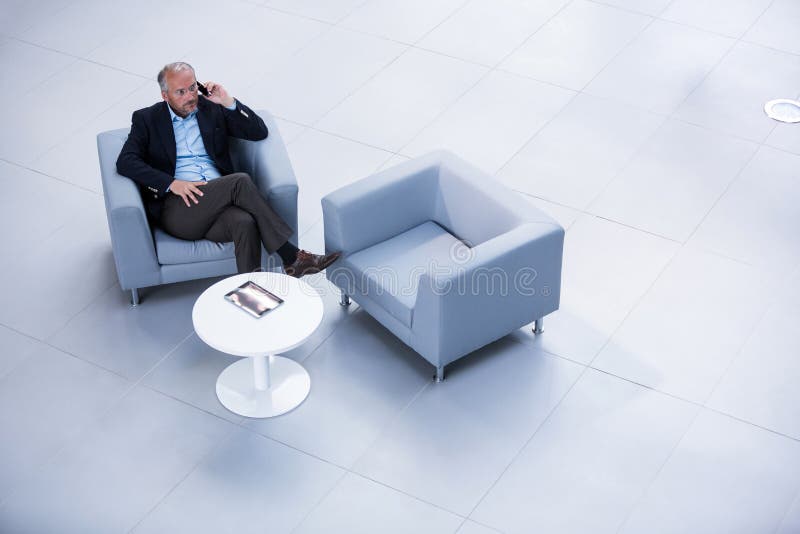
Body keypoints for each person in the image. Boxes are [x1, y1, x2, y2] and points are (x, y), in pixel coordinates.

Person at [116, 61, 339, 277]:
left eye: (193, 87)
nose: (190, 96)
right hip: (179, 208)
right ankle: (292, 258)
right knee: (239, 181)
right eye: (180, 92)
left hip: (218, 200)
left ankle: (252, 290)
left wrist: (227, 101)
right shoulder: (147, 118)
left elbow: (258, 132)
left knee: (244, 222)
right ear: (165, 96)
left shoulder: (211, 108)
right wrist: (172, 183)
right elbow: (125, 161)